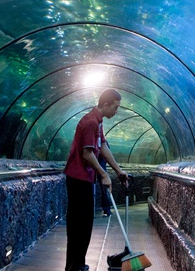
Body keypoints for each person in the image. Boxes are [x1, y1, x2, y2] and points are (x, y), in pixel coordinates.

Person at [64, 89, 128, 271]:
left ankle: (78, 264)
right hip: (78, 178)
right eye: (115, 108)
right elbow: (87, 154)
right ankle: (74, 267)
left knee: (84, 224)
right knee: (78, 225)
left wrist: (118, 170)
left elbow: (103, 147)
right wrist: (104, 174)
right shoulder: (91, 122)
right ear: (105, 105)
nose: (116, 112)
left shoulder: (98, 122)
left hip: (85, 178)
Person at [97, 141, 113, 217]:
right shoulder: (102, 141)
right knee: (104, 189)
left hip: (100, 165)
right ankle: (107, 209)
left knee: (104, 189)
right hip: (101, 166)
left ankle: (107, 209)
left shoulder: (102, 141)